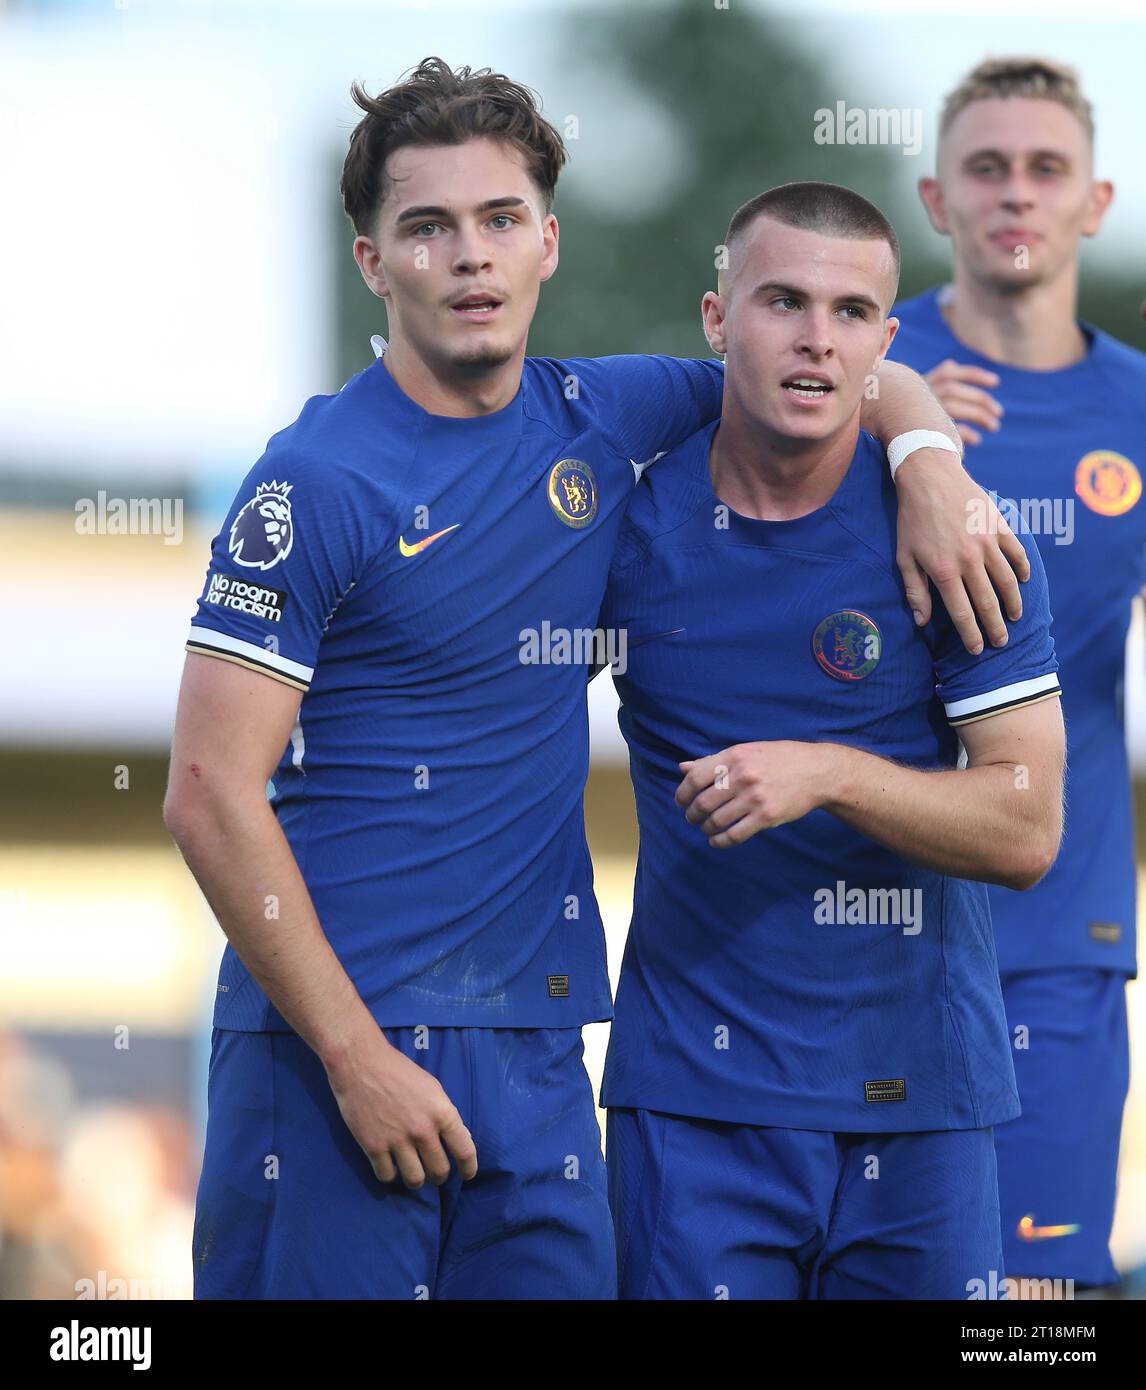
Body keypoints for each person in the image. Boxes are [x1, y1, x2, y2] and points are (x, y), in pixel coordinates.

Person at [165, 58, 1028, 1300]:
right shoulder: (314, 481)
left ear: (548, 244)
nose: (471, 257)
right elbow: (203, 793)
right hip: (328, 1048)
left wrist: (932, 460)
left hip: (539, 1061)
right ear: (373, 262)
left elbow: (833, 360)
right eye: (429, 228)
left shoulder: (606, 417)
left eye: (500, 221)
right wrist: (355, 1057)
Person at [599, 181, 1066, 1300]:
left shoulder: (963, 542)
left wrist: (831, 774)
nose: (817, 339)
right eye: (783, 302)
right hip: (694, 1109)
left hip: (923, 1111)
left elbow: (1027, 824)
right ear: (718, 323)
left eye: (853, 312)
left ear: (886, 340)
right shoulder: (622, 533)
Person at [891, 56, 1146, 1293]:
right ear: (937, 199)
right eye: (986, 168)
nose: (1016, 195)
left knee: (1035, 1314)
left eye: (1045, 170)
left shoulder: (1138, 411)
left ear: (1094, 201)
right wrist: (886, 442)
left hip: (1059, 929)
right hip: (848, 930)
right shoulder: (850, 370)